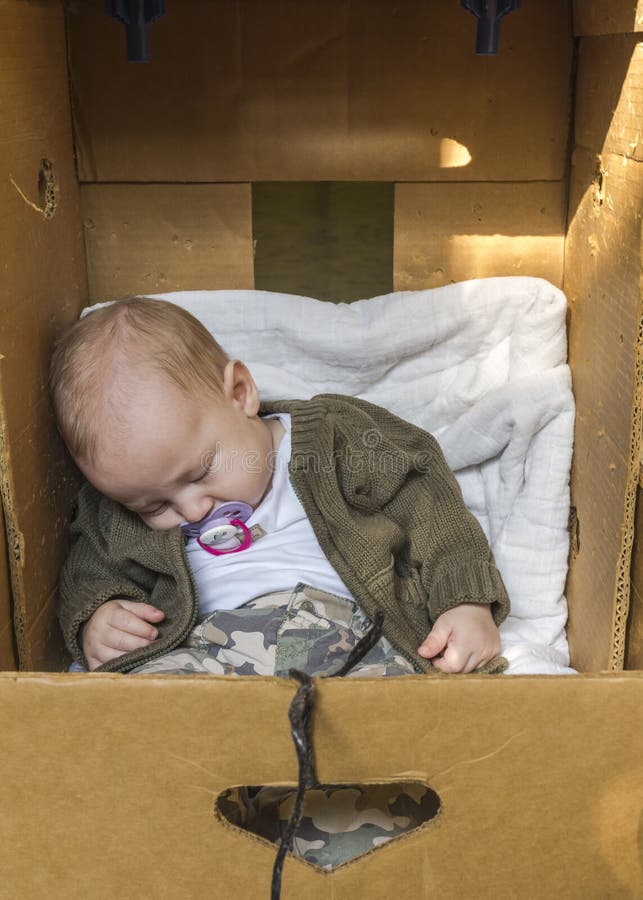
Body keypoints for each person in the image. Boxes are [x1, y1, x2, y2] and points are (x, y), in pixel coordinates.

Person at [50, 297, 510, 867]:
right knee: (134, 728)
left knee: (397, 741)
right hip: (210, 651)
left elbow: (426, 499)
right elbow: (90, 562)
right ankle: (201, 846)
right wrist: (98, 614)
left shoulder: (331, 439)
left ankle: (347, 847)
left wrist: (465, 600)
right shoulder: (120, 511)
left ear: (240, 393)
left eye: (200, 473)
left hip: (349, 636)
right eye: (152, 507)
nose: (192, 510)